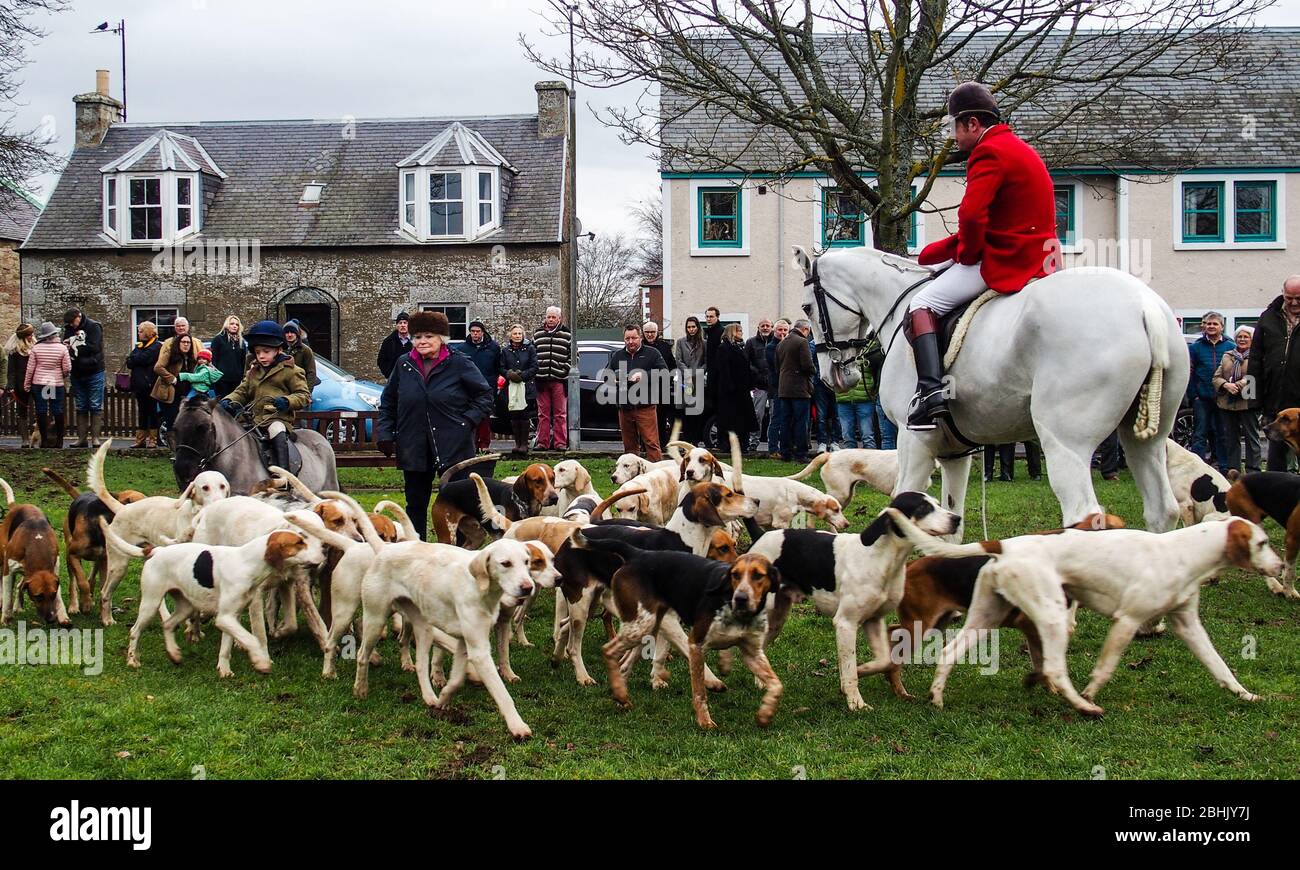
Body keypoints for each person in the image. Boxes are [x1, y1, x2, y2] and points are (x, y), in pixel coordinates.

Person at [908, 81, 1058, 430]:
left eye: (954, 128)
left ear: (972, 124)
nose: (954, 138)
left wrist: (966, 253)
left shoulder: (989, 152)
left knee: (921, 304)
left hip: (1009, 256)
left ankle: (931, 392)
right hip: (1041, 255)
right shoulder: (1021, 148)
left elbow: (973, 216)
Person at [374, 310, 494, 541]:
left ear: (442, 338)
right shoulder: (404, 364)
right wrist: (386, 433)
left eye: (429, 336)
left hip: (453, 445)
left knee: (459, 502)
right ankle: (418, 549)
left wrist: (466, 421)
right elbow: (388, 401)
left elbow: (484, 395)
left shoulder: (458, 363)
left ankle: (460, 549)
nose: (422, 342)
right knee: (415, 503)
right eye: (417, 337)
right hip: (414, 445)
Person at [220, 320, 312, 475]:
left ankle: (283, 475)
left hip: (277, 418)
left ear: (278, 349)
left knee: (276, 429)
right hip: (253, 419)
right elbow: (242, 391)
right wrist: (229, 400)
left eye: (266, 351)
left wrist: (287, 401)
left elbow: (304, 395)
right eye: (257, 352)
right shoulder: (253, 371)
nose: (261, 356)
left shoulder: (292, 371)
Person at [1250, 275, 1300, 473]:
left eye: (1299, 298)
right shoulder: (1268, 317)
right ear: (1283, 294)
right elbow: (1254, 360)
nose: (1294, 303)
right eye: (1289, 298)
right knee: (1275, 459)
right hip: (1275, 400)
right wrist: (1253, 398)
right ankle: (1275, 498)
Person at [608, 324, 666, 460]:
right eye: (627, 338)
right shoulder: (618, 355)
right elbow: (607, 375)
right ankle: (632, 477)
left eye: (634, 338)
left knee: (651, 443)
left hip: (645, 406)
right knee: (629, 446)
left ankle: (657, 474)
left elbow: (664, 372)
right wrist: (615, 378)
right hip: (625, 407)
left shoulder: (652, 353)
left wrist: (643, 376)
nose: (630, 342)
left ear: (640, 337)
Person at [1187, 311, 1234, 470]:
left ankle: (1223, 467)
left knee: (1222, 434)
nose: (1211, 326)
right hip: (1202, 398)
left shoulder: (1230, 346)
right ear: (1203, 326)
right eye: (1208, 323)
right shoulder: (1195, 347)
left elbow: (1236, 372)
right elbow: (1190, 373)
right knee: (1199, 434)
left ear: (1222, 326)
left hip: (1223, 398)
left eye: (1215, 324)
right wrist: (1194, 396)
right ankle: (1196, 467)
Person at [1214, 325, 1262, 474]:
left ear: (1252, 339)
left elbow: (1261, 375)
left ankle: (1253, 470)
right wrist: (1226, 385)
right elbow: (1216, 377)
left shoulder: (1258, 356)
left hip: (1248, 402)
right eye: (1239, 337)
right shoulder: (1228, 355)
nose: (1242, 339)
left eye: (1245, 337)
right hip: (1228, 402)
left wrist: (1243, 382)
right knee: (1231, 438)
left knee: (1251, 438)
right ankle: (1233, 470)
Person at [63, 307, 106, 447]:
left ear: (78, 316)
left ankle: (95, 438)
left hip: (94, 371)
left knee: (95, 405)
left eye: (72, 322)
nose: (71, 325)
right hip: (77, 372)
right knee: (81, 405)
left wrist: (74, 348)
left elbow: (94, 347)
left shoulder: (94, 326)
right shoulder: (69, 329)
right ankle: (81, 439)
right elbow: (65, 344)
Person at [455, 320, 500, 451]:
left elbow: (497, 367)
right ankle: (472, 445)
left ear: (483, 332)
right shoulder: (462, 349)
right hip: (468, 388)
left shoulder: (493, 348)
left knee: (485, 416)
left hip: (487, 386)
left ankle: (484, 444)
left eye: (478, 332)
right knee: (471, 416)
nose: (475, 334)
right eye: (473, 332)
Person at [24, 321, 70, 448]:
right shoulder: (62, 348)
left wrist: (27, 384)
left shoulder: (36, 348)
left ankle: (44, 440)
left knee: (42, 410)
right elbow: (67, 368)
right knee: (57, 410)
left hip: (40, 383)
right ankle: (59, 440)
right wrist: (61, 375)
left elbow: (30, 369)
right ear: (54, 334)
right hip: (55, 382)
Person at [153, 316, 199, 442]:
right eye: (183, 342)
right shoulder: (170, 350)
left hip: (186, 392)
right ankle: (174, 450)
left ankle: (181, 449)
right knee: (172, 422)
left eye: (188, 343)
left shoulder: (192, 355)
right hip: (169, 392)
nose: (186, 345)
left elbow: (202, 363)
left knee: (184, 421)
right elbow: (158, 367)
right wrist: (171, 379)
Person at [713, 323, 758, 448]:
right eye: (739, 331)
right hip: (731, 390)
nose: (741, 333)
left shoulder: (739, 347)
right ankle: (727, 444)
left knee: (742, 419)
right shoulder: (724, 348)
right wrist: (730, 386)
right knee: (730, 419)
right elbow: (724, 369)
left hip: (741, 389)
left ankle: (743, 444)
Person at [533, 305, 572, 450]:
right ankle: (542, 442)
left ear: (559, 319)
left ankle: (560, 443)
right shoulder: (537, 335)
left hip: (559, 381)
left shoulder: (567, 335)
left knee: (560, 414)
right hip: (541, 380)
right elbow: (532, 355)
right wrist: (536, 370)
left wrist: (563, 370)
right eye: (548, 316)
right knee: (543, 414)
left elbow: (575, 357)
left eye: (553, 317)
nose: (550, 319)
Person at [777, 319, 815, 463]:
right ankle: (801, 453)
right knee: (801, 422)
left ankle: (785, 452)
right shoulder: (802, 342)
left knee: (785, 422)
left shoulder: (782, 343)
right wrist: (814, 371)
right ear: (805, 329)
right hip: (799, 388)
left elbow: (777, 365)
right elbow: (807, 365)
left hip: (784, 388)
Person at [498, 323, 539, 457]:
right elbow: (501, 367)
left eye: (519, 333)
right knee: (514, 416)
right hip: (511, 387)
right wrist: (509, 374)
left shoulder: (530, 349)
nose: (517, 336)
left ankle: (524, 444)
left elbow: (534, 366)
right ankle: (517, 444)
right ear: (511, 335)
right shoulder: (505, 351)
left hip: (526, 386)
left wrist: (522, 376)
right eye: (515, 333)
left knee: (524, 415)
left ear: (523, 335)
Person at [835, 342, 883, 449]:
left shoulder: (867, 346)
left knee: (867, 435)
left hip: (863, 399)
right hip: (845, 398)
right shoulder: (839, 349)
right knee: (848, 436)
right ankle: (851, 463)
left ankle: (869, 463)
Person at [126, 320, 162, 448]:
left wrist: (134, 359)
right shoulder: (140, 346)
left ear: (148, 333)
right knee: (142, 412)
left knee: (152, 412)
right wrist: (134, 359)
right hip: (139, 385)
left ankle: (152, 439)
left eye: (141, 331)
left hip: (150, 385)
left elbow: (142, 358)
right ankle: (140, 439)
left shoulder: (156, 346)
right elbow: (129, 362)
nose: (139, 334)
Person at [744, 318, 777, 452]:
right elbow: (746, 362)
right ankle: (753, 441)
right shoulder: (751, 342)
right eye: (762, 325)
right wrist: (756, 374)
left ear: (772, 327)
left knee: (775, 415)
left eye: (767, 326)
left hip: (774, 385)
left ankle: (773, 442)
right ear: (758, 327)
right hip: (759, 385)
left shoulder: (777, 342)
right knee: (757, 414)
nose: (765, 328)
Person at [643, 320, 677, 448]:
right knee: (645, 419)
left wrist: (668, 381)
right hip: (644, 389)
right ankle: (645, 444)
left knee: (661, 418)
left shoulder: (664, 347)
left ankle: (662, 443)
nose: (650, 334)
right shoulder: (640, 347)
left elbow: (672, 366)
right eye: (647, 332)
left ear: (657, 333)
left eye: (652, 332)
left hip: (662, 389)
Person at [674, 315, 706, 444]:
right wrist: (687, 373)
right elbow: (678, 360)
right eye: (688, 327)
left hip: (697, 379)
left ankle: (695, 441)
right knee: (685, 412)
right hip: (684, 380)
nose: (691, 329)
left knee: (696, 412)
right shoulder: (681, 342)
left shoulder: (704, 343)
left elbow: (706, 362)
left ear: (697, 327)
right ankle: (686, 441)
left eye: (693, 327)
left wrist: (697, 373)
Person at [3, 324, 36, 448]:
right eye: (29, 335)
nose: (31, 336)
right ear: (23, 337)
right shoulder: (14, 352)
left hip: (35, 382)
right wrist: (11, 384)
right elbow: (11, 370)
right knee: (22, 412)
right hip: (20, 384)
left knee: (41, 410)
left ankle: (41, 437)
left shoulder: (35, 348)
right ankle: (25, 440)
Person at [810, 336, 843, 452]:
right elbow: (811, 362)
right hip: (820, 384)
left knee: (836, 415)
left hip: (835, 383)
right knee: (821, 416)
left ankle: (835, 442)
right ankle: (822, 442)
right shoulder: (814, 344)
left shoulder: (837, 342)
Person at [766, 319, 790, 457]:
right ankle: (773, 448)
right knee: (776, 418)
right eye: (780, 330)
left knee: (786, 418)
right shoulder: (771, 347)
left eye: (785, 330)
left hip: (787, 386)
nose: (782, 333)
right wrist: (782, 346)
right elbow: (776, 365)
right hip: (777, 387)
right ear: (774, 331)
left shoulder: (788, 344)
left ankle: (786, 446)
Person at [209, 315, 247, 399]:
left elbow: (243, 361)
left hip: (236, 379)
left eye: (237, 324)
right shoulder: (218, 339)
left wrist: (242, 376)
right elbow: (213, 360)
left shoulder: (241, 341)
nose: (234, 326)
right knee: (223, 405)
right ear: (227, 325)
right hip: (221, 380)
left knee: (233, 404)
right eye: (232, 323)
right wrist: (216, 376)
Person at [377, 311, 412, 380]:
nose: (402, 325)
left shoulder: (416, 341)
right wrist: (389, 374)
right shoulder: (389, 341)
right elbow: (381, 360)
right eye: (400, 323)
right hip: (394, 379)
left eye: (405, 323)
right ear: (397, 326)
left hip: (411, 380)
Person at [283, 320, 318, 388]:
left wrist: (307, 392)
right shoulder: (280, 349)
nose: (289, 335)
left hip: (299, 387)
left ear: (297, 334)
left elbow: (311, 373)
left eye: (292, 332)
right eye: (287, 332)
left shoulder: (305, 350)